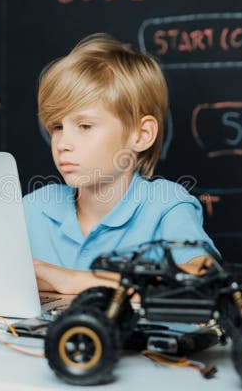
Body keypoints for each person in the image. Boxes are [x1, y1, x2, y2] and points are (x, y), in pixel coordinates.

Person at [24, 33, 216, 295]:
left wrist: (73, 280)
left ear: (141, 134)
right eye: (57, 126)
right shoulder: (33, 209)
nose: (62, 143)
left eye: (84, 126)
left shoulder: (165, 206)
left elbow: (207, 277)